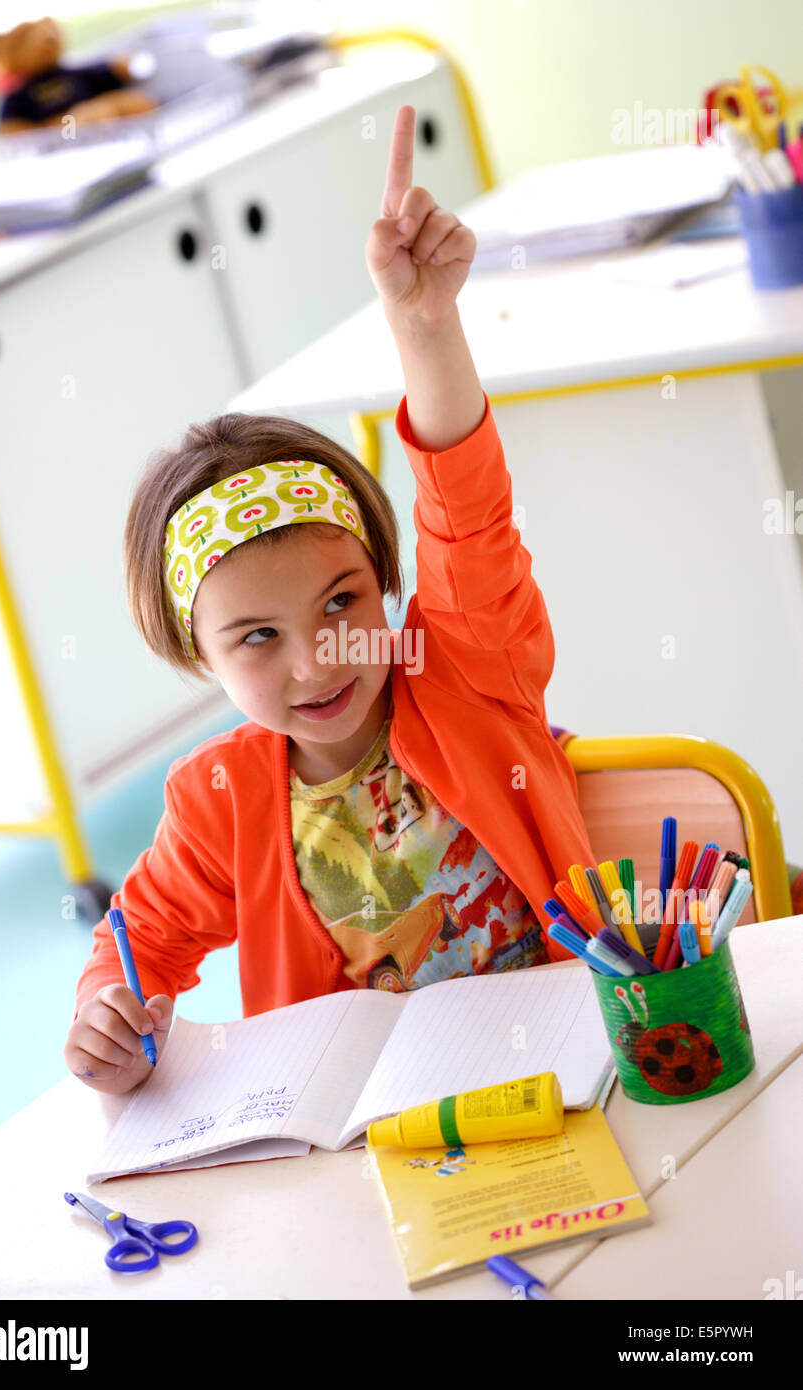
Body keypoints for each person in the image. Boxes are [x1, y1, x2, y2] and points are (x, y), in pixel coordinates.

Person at [64, 106, 597, 1095]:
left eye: (342, 604)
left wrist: (423, 325)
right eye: (257, 636)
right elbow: (138, 941)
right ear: (198, 656)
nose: (316, 661)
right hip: (367, 1134)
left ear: (386, 583)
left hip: (570, 1076)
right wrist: (112, 1014)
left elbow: (465, 515)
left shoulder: (464, 670)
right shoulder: (215, 799)